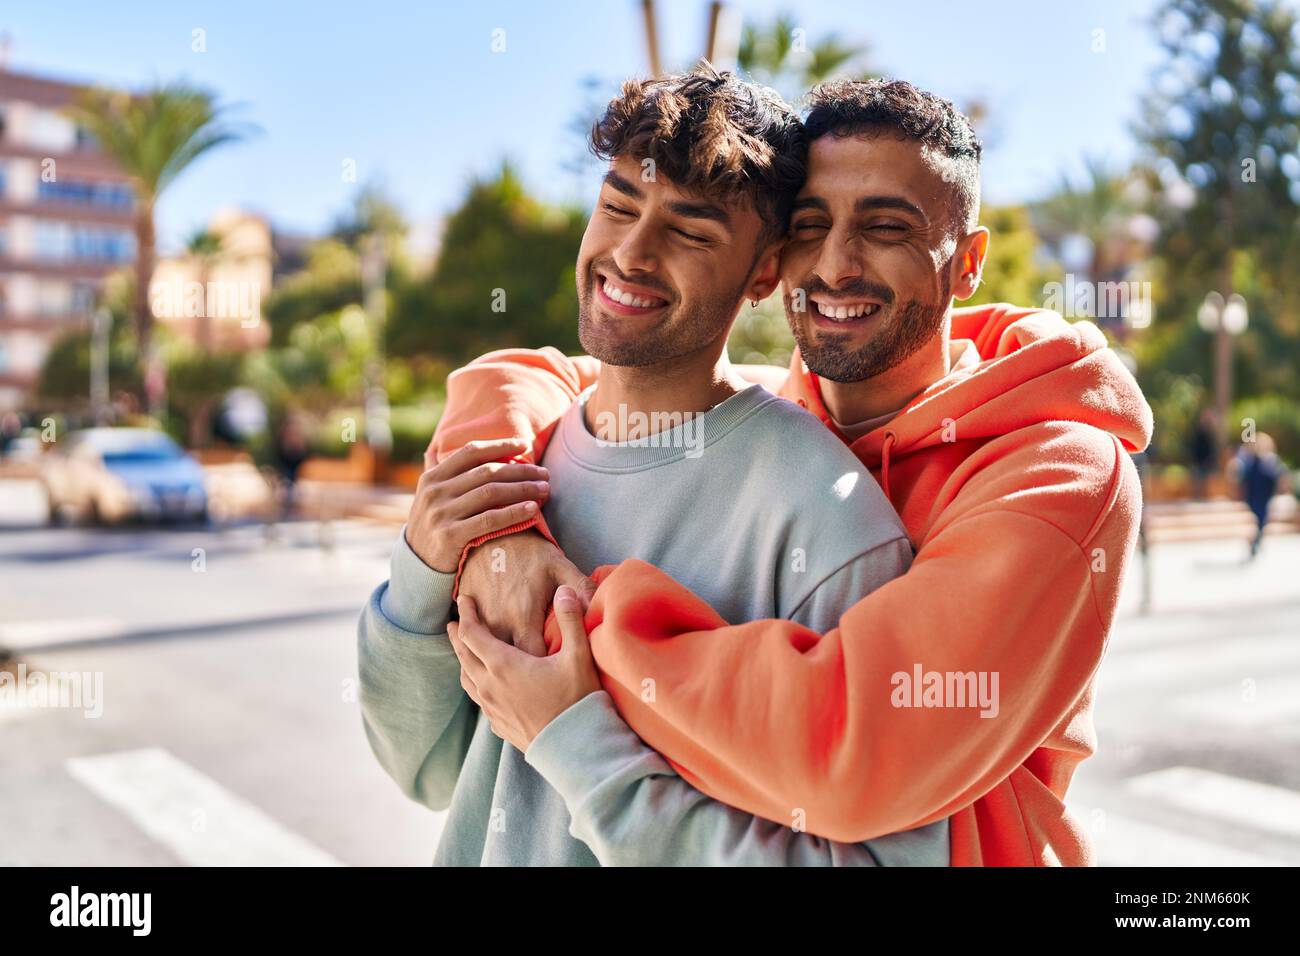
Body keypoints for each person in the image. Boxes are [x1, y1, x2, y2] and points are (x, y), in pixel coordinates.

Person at [428, 77, 1153, 866]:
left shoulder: (1059, 471)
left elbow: (853, 749)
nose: (837, 266)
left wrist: (566, 620)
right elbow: (544, 377)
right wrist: (506, 523)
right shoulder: (784, 406)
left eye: (886, 227)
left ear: (967, 262)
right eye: (812, 226)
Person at [358, 65, 947, 865]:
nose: (631, 254)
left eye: (690, 232)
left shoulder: (827, 514)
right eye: (617, 207)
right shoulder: (508, 472)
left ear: (765, 274)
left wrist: (581, 748)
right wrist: (420, 574)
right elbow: (426, 772)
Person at [1234, 433, 1289, 559]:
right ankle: (1255, 540)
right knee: (1259, 518)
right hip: (1254, 495)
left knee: (1262, 520)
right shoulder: (1251, 460)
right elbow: (1242, 476)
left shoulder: (1270, 460)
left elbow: (1278, 475)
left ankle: (1255, 541)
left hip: (1264, 496)